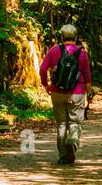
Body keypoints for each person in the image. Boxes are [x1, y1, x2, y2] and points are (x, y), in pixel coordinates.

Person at [39, 24, 92, 164]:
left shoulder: (54, 50)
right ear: (75, 37)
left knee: (61, 124)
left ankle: (63, 156)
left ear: (61, 37)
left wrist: (46, 84)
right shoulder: (82, 53)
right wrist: (88, 92)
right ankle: (72, 141)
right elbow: (87, 75)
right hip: (77, 92)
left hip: (57, 92)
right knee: (75, 122)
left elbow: (43, 69)